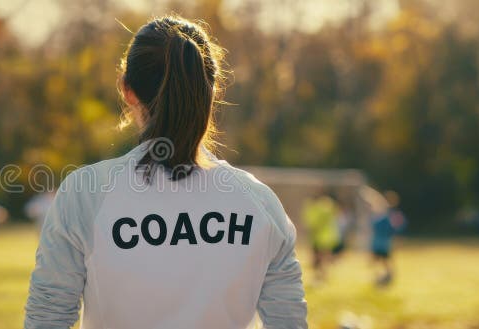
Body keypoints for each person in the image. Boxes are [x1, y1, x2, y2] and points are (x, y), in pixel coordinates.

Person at [25, 16, 307, 329]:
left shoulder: (85, 193)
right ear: (211, 93)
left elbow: (47, 320)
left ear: (127, 90)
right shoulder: (260, 203)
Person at [302, 192, 341, 285]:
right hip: (319, 237)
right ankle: (320, 276)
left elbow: (315, 223)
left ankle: (322, 276)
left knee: (321, 257)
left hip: (323, 237)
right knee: (318, 257)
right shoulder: (323, 206)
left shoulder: (322, 207)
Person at [371, 190, 405, 287]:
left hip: (384, 242)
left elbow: (397, 228)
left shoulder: (392, 214)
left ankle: (387, 275)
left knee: (384, 259)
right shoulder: (380, 212)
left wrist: (397, 240)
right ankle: (380, 276)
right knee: (377, 260)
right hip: (378, 241)